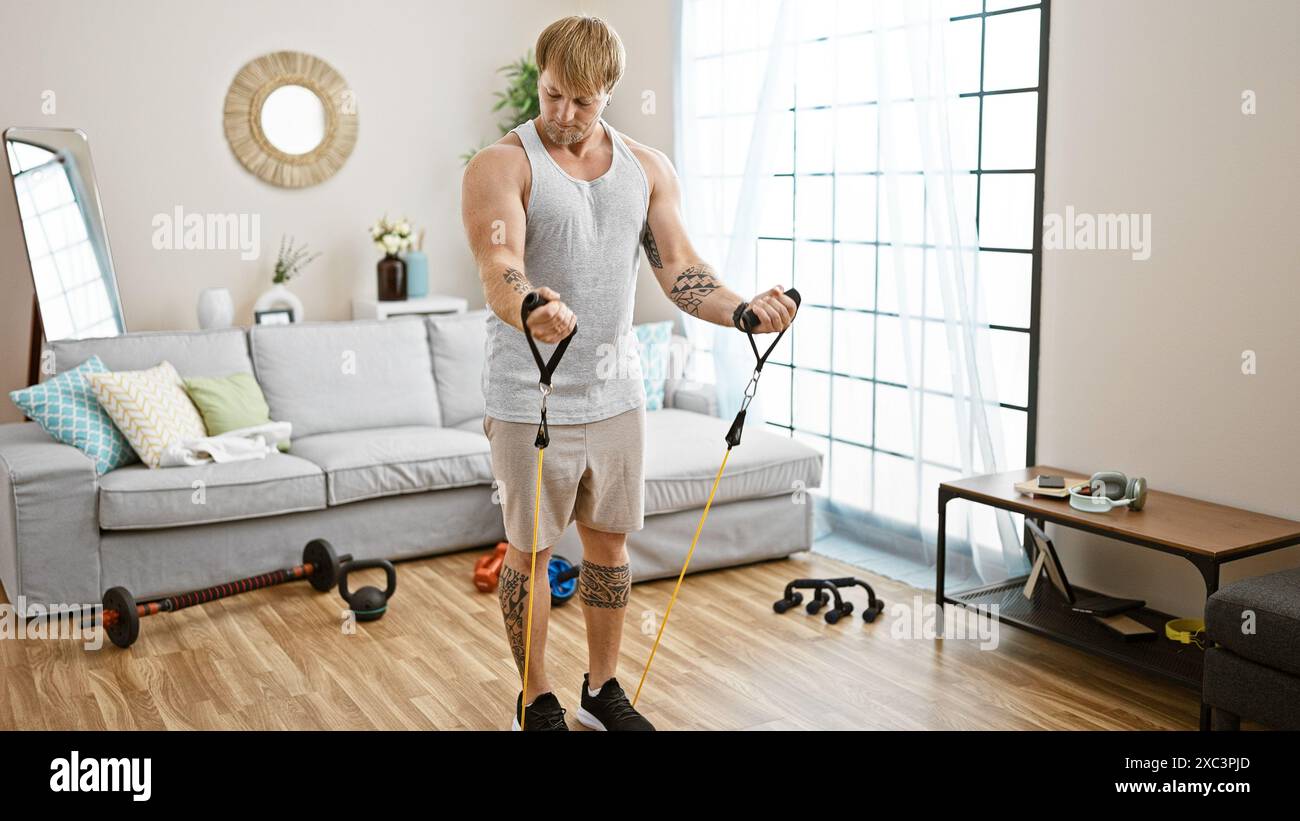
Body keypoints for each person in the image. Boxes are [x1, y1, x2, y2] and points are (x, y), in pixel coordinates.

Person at [461, 14, 797, 731]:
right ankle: (537, 695)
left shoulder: (647, 169)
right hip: (530, 395)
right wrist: (528, 305)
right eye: (553, 95)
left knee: (610, 543)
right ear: (541, 78)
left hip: (617, 393)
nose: (563, 114)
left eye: (582, 101)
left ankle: (602, 686)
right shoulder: (503, 164)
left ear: (609, 90)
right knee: (530, 549)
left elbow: (680, 268)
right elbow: (498, 265)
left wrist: (743, 311)